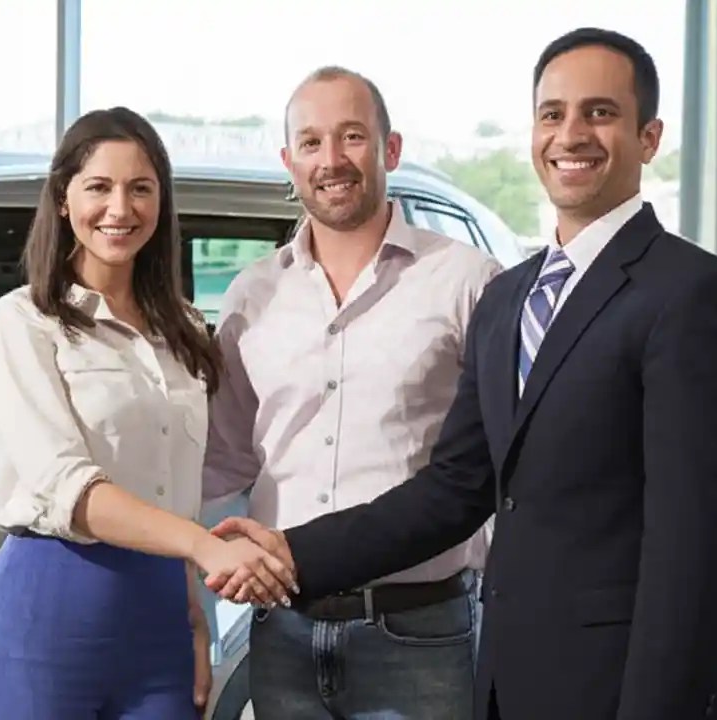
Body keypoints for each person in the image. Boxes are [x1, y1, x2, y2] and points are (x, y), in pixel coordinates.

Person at [209, 28, 717, 720]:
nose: (571, 134)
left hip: (626, 687)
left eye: (600, 113)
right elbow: (457, 489)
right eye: (552, 114)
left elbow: (698, 554)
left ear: (648, 138)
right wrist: (292, 553)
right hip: (513, 676)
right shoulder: (513, 297)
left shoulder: (694, 294)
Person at [0, 106, 295, 720]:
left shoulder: (187, 332)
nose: (120, 209)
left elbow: (178, 489)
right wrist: (204, 549)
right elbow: (69, 487)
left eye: (141, 189)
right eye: (99, 187)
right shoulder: (21, 324)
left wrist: (193, 610)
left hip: (161, 624)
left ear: (161, 203)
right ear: (63, 199)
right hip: (48, 619)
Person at [201, 66, 503, 719]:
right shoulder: (253, 296)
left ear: (390, 149)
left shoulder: (464, 281)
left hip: (421, 630)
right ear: (289, 161)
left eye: (352, 138)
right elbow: (220, 463)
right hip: (282, 632)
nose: (331, 160)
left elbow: (501, 464)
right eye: (310, 143)